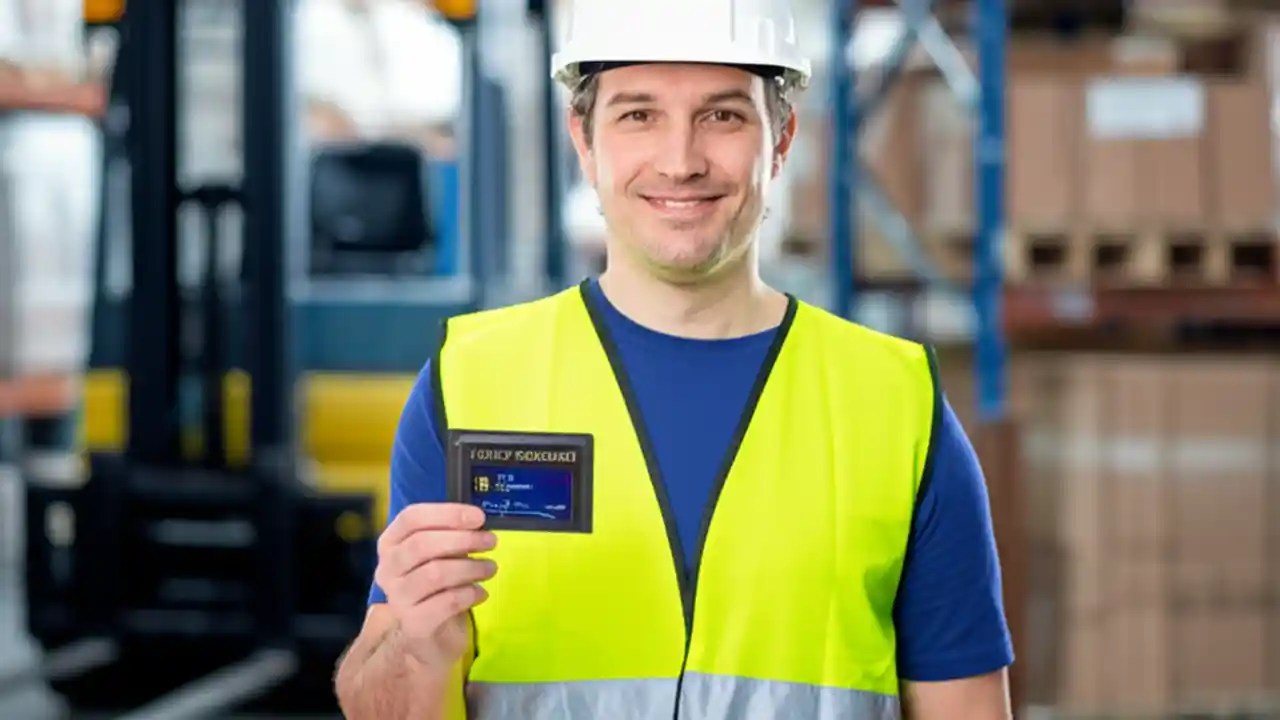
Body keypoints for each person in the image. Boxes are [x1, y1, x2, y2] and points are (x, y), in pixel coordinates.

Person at [333, 0, 1014, 717]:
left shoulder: (893, 407)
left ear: (780, 138)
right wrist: (419, 647)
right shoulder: (470, 383)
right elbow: (375, 701)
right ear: (584, 141)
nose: (681, 161)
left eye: (722, 115)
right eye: (637, 115)